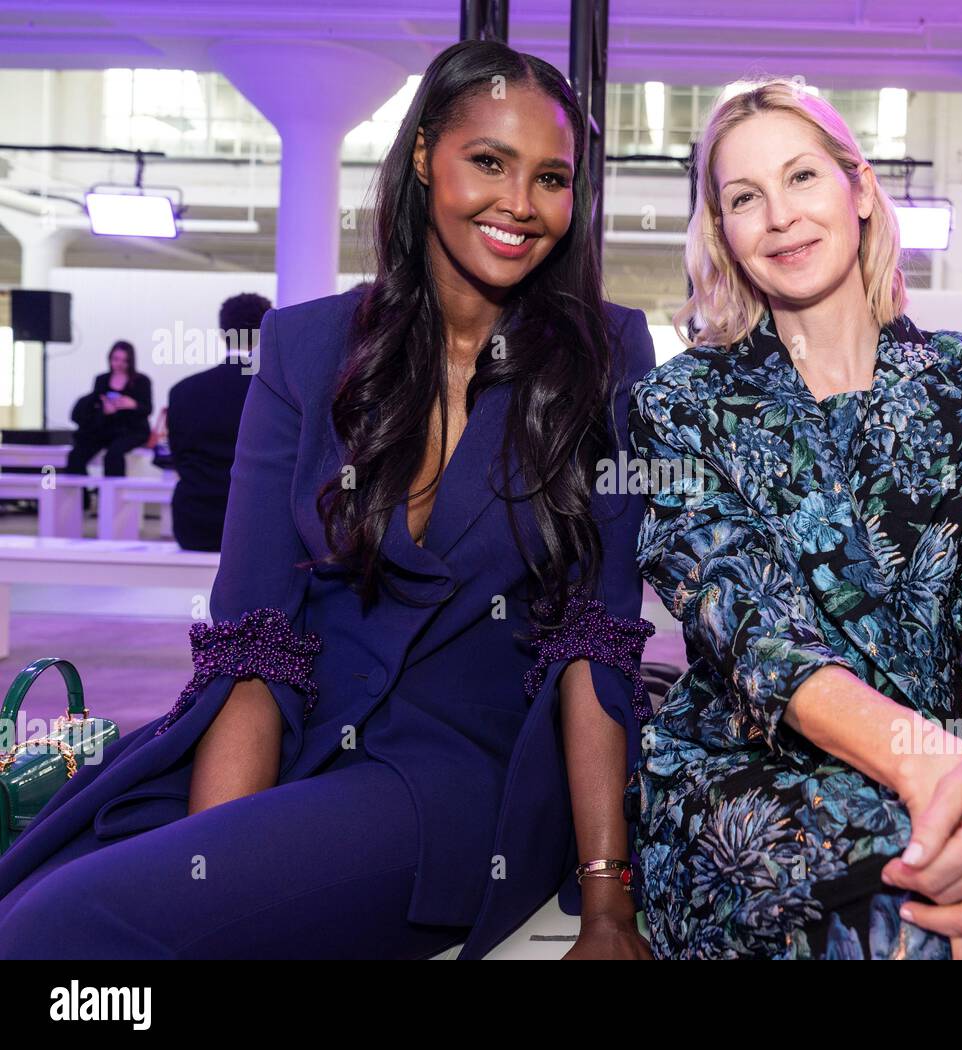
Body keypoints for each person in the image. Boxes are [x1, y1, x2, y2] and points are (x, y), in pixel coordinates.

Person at [0, 40, 655, 961]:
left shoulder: (605, 353)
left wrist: (606, 905)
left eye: (550, 178)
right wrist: (215, 864)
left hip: (460, 782)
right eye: (489, 162)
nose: (519, 203)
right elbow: (257, 642)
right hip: (288, 753)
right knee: (33, 900)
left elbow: (597, 642)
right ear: (425, 156)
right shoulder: (306, 348)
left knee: (64, 930)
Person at [625, 80, 962, 960]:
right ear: (722, 232)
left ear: (860, 191)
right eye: (744, 197)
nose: (780, 217)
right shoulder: (677, 405)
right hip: (753, 774)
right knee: (913, 907)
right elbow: (758, 630)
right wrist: (950, 778)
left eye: (802, 177)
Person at [166, 293, 272, 552]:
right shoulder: (275, 392)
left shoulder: (183, 391)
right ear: (265, 332)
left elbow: (179, 458)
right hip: (254, 528)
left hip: (194, 523)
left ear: (223, 333)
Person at [66, 341, 154, 477]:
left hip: (132, 430)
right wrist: (105, 410)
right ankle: (83, 496)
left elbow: (147, 409)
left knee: (113, 455)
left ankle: (112, 496)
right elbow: (95, 404)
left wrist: (133, 405)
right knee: (77, 455)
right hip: (106, 428)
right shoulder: (101, 379)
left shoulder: (142, 381)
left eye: (124, 360)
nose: (119, 364)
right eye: (116, 359)